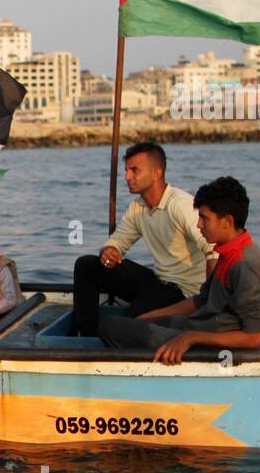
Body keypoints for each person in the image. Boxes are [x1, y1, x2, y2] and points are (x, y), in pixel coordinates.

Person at [99, 176, 260, 364]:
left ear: (227, 221)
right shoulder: (227, 253)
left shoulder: (245, 265)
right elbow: (202, 301)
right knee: (135, 321)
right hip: (199, 325)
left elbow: (253, 338)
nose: (199, 225)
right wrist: (151, 315)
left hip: (208, 343)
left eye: (204, 218)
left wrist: (191, 337)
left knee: (110, 326)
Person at [72, 142, 216, 336]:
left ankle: (106, 340)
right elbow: (118, 241)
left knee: (120, 327)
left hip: (183, 292)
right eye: (126, 171)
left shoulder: (180, 204)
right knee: (86, 265)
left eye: (134, 170)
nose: (127, 177)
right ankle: (85, 336)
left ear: (156, 173)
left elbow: (213, 249)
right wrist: (109, 252)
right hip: (158, 281)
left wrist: (209, 301)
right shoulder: (138, 207)